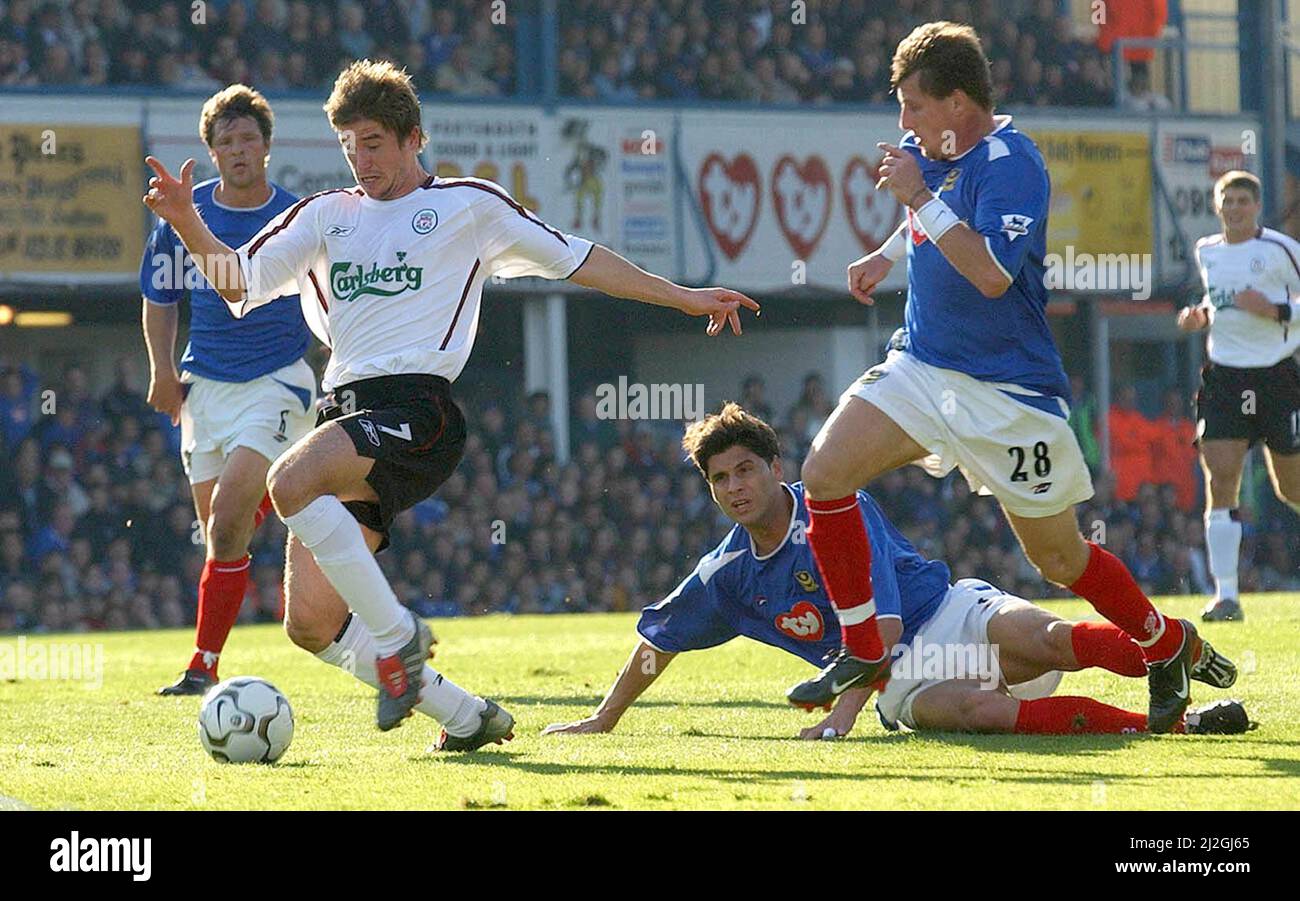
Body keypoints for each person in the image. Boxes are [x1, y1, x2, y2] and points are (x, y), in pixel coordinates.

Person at [141, 59, 758, 749]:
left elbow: (579, 258)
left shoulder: (468, 206)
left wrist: (682, 295)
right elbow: (238, 284)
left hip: (418, 410)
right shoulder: (325, 216)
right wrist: (190, 221)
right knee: (309, 623)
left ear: (412, 139)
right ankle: (465, 716)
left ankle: (402, 638)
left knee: (286, 480)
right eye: (349, 146)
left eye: (373, 142)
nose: (361, 159)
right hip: (344, 417)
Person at [792, 21, 1198, 733]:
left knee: (1061, 559)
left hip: (1007, 397)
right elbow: (934, 203)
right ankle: (862, 646)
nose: (903, 122)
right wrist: (887, 253)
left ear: (958, 102)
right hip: (921, 367)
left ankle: (1162, 645)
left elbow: (988, 273)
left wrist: (918, 201)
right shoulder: (934, 150)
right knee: (824, 473)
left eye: (914, 105)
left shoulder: (1014, 163)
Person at [543, 404, 1246, 738]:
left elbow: (874, 615)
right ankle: (1174, 728)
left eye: (746, 468)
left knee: (1053, 638)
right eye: (720, 478)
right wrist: (604, 719)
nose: (735, 487)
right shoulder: (726, 574)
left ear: (776, 468)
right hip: (907, 678)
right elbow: (657, 640)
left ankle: (1172, 645)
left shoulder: (835, 509)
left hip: (945, 611)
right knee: (978, 712)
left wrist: (841, 716)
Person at [141, 85, 317, 696]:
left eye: (248, 139)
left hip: (278, 381)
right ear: (211, 153)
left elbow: (329, 303)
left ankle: (201, 665)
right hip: (204, 391)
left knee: (229, 512)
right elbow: (159, 300)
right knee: (223, 535)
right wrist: (163, 371)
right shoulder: (182, 218)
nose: (238, 150)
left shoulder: (298, 216)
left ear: (267, 146)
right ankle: (204, 665)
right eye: (226, 142)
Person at [1178, 170, 1300, 622]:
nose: (1234, 209)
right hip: (1226, 377)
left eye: (1243, 202)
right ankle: (1226, 595)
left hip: (1276, 377)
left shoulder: (1281, 250)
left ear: (1256, 207)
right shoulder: (1207, 251)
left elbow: (1280, 305)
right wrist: (1199, 316)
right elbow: (1220, 303)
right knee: (1220, 478)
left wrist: (1277, 310)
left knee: (1291, 488)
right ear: (1217, 206)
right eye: (1227, 201)